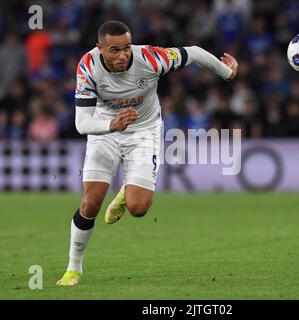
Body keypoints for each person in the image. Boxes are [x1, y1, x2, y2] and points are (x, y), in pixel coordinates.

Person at [56, 20, 238, 286]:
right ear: (100, 49)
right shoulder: (88, 66)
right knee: (90, 203)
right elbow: (82, 123)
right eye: (115, 50)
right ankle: (73, 269)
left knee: (139, 208)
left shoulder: (151, 58)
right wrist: (111, 125)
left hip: (144, 132)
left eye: (127, 48)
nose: (122, 55)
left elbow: (195, 53)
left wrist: (227, 73)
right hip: (104, 131)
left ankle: (126, 192)